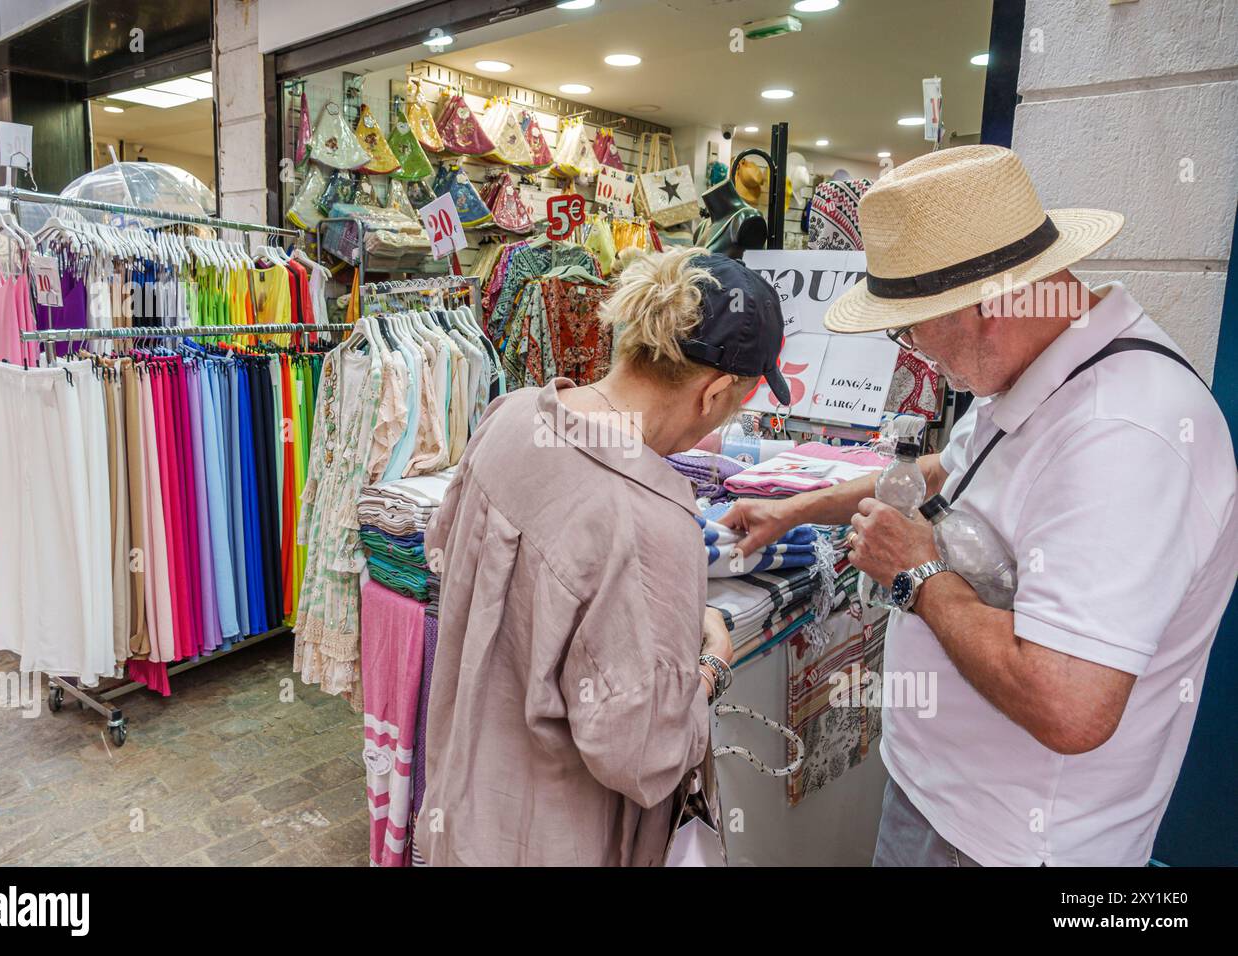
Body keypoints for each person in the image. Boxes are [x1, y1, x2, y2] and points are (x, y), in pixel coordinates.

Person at [726, 145, 1238, 867]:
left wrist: (918, 576)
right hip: (948, 805)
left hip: (1005, 845)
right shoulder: (1041, 375)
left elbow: (1069, 704)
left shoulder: (1123, 434)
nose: (912, 350)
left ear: (991, 304)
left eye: (911, 327)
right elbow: (946, 470)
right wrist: (798, 507)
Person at [417, 248, 790, 866]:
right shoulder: (650, 520)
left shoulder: (511, 415)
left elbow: (443, 552)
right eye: (738, 402)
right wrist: (709, 669)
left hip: (465, 807)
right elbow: (641, 753)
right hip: (553, 840)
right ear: (716, 391)